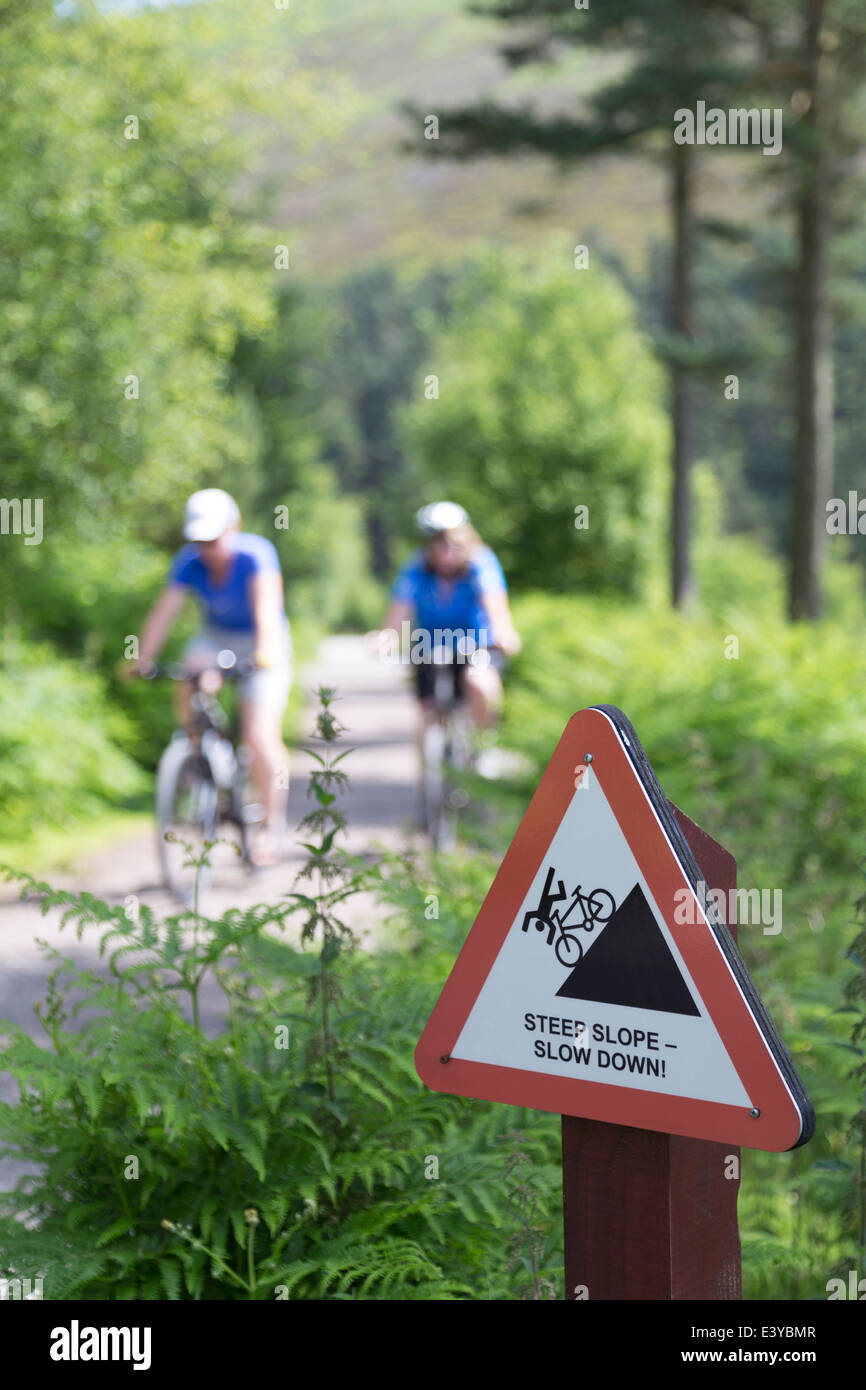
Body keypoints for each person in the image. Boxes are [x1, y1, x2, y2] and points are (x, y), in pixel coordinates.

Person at [127, 488, 293, 867]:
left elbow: (267, 609)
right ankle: (195, 751)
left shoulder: (256, 554)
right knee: (189, 671)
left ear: (234, 527)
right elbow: (164, 612)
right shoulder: (188, 562)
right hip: (216, 639)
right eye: (200, 541)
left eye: (213, 539)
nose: (206, 548)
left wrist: (265, 653)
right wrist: (142, 657)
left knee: (259, 735)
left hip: (263, 640)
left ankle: (270, 826)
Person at [373, 500, 521, 788]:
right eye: (436, 543)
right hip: (429, 647)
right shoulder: (417, 567)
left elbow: (495, 608)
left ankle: (483, 746)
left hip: (475, 646)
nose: (444, 551)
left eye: (452, 542)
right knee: (427, 713)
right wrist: (385, 638)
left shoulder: (480, 563)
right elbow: (399, 611)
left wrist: (504, 634)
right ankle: (427, 786)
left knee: (480, 682)